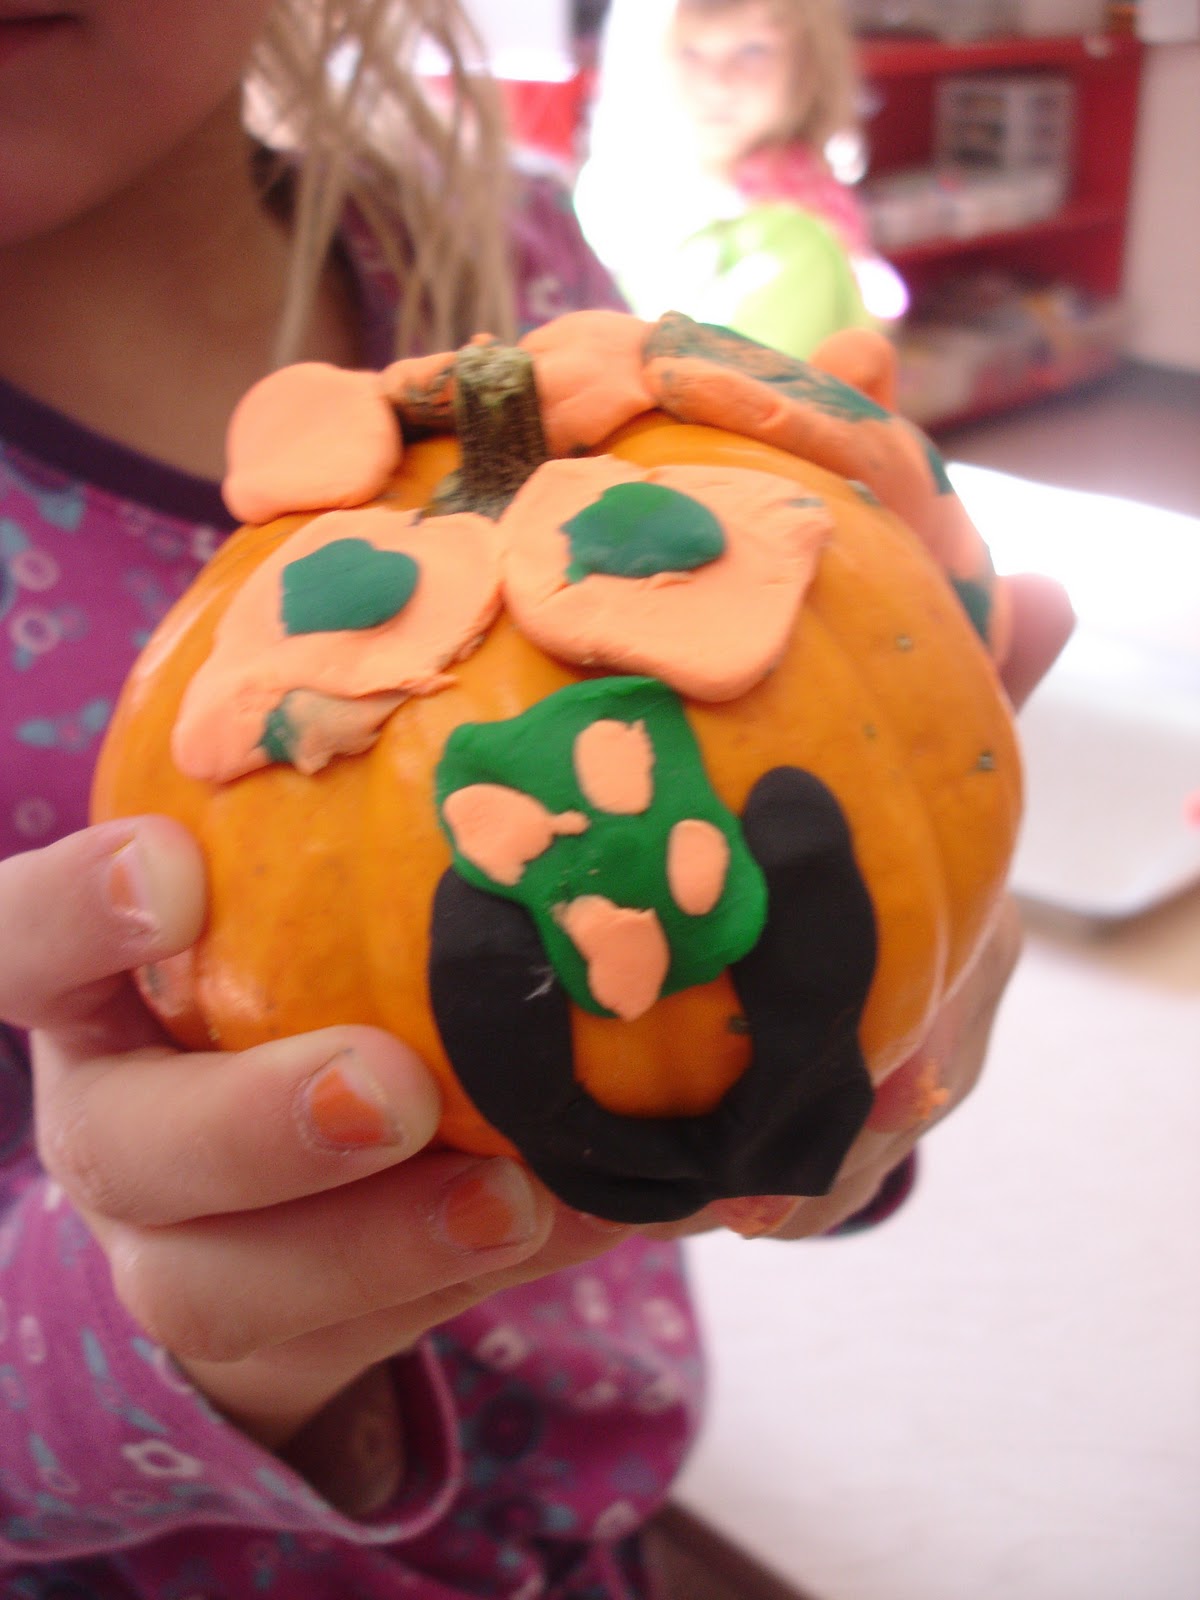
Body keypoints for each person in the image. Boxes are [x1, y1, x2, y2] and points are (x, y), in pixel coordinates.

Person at [0, 1, 1073, 1594]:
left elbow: (791, 837)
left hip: (591, 1510)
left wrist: (832, 1091)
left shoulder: (515, 282)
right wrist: (191, 1337)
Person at [575, 0, 906, 359]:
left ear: (808, 61)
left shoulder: (799, 234)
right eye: (689, 51)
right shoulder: (613, 188)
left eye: (753, 50)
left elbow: (727, 392)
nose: (718, 83)